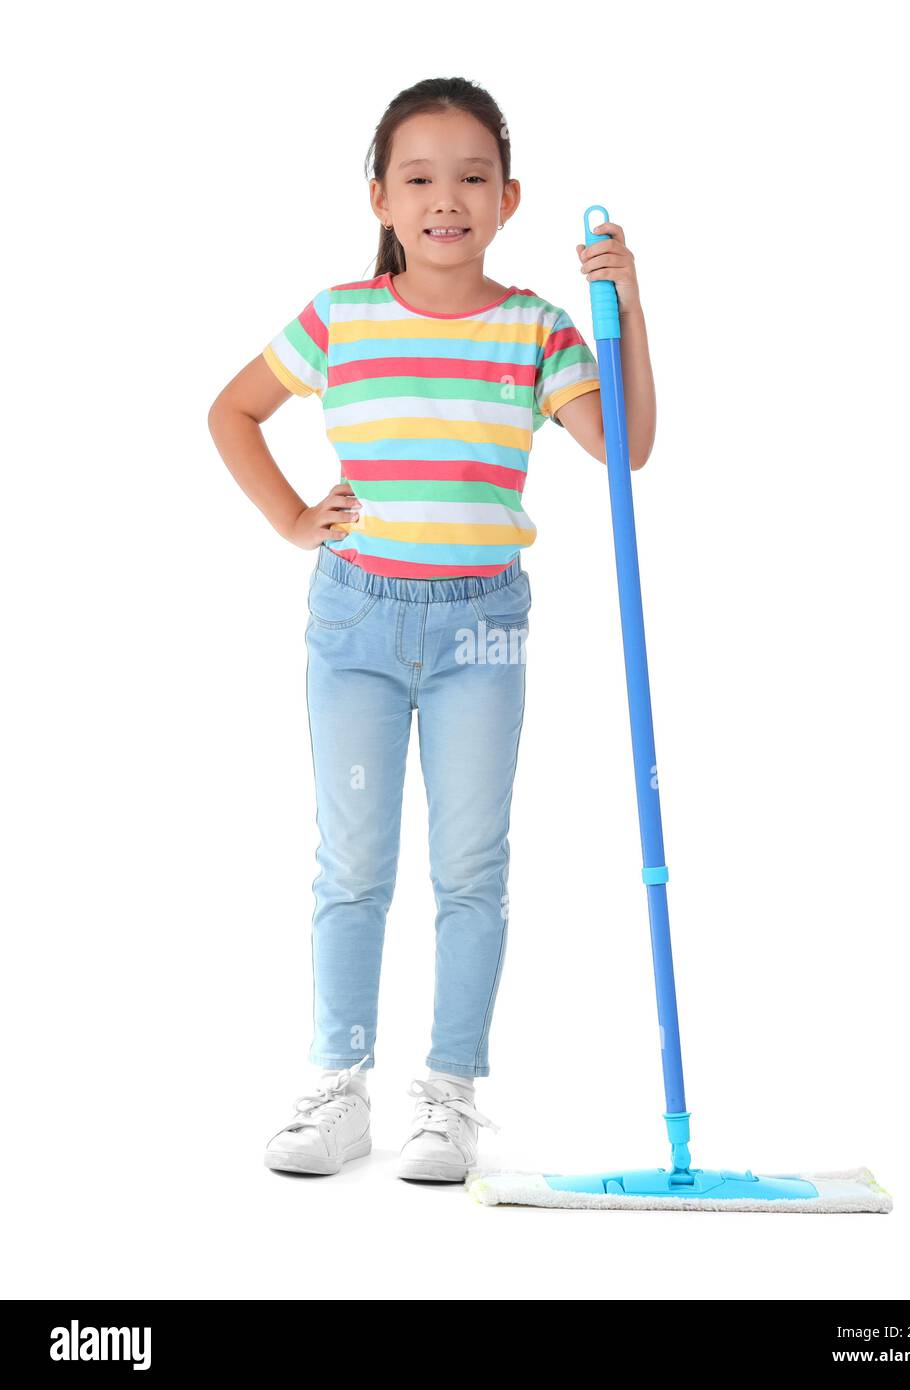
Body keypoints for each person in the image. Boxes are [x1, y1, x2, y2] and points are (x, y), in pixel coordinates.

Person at [207, 75, 655, 1183]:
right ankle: (337, 1088)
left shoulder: (538, 330)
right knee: (352, 863)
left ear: (509, 197)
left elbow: (628, 451)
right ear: (380, 194)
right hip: (355, 615)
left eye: (472, 177)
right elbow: (233, 411)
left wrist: (627, 312)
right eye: (419, 176)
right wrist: (292, 518)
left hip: (481, 628)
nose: (446, 197)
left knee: (470, 865)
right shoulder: (339, 319)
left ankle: (447, 1097)